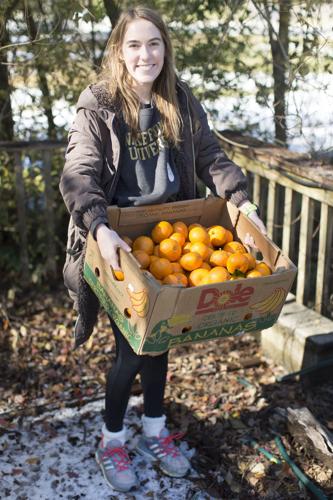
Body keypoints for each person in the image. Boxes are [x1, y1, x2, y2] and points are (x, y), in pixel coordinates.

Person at [59, 6, 266, 493]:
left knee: (162, 341)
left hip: (171, 237)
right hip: (117, 243)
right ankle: (112, 440)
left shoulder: (179, 99)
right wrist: (98, 225)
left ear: (165, 49)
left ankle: (154, 430)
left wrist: (240, 200)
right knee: (133, 350)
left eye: (154, 43)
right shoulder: (99, 105)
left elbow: (212, 156)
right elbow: (79, 173)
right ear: (119, 51)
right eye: (134, 44)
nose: (145, 54)